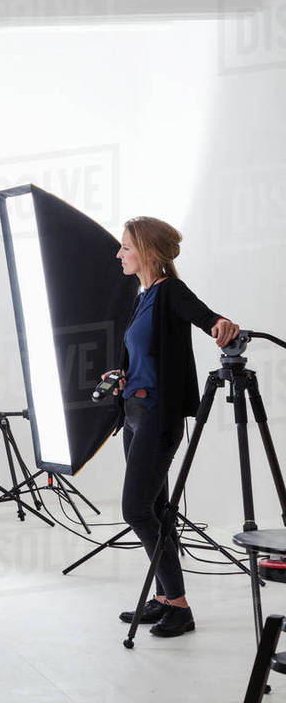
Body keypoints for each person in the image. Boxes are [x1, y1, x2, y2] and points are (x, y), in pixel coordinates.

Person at [104, 216, 239, 637]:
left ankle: (179, 606)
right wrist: (123, 374)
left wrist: (223, 327)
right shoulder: (143, 296)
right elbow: (146, 354)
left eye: (126, 247)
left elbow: (209, 319)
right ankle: (164, 598)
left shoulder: (171, 292)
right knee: (157, 510)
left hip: (158, 418)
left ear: (146, 251)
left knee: (136, 510)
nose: (119, 254)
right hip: (133, 414)